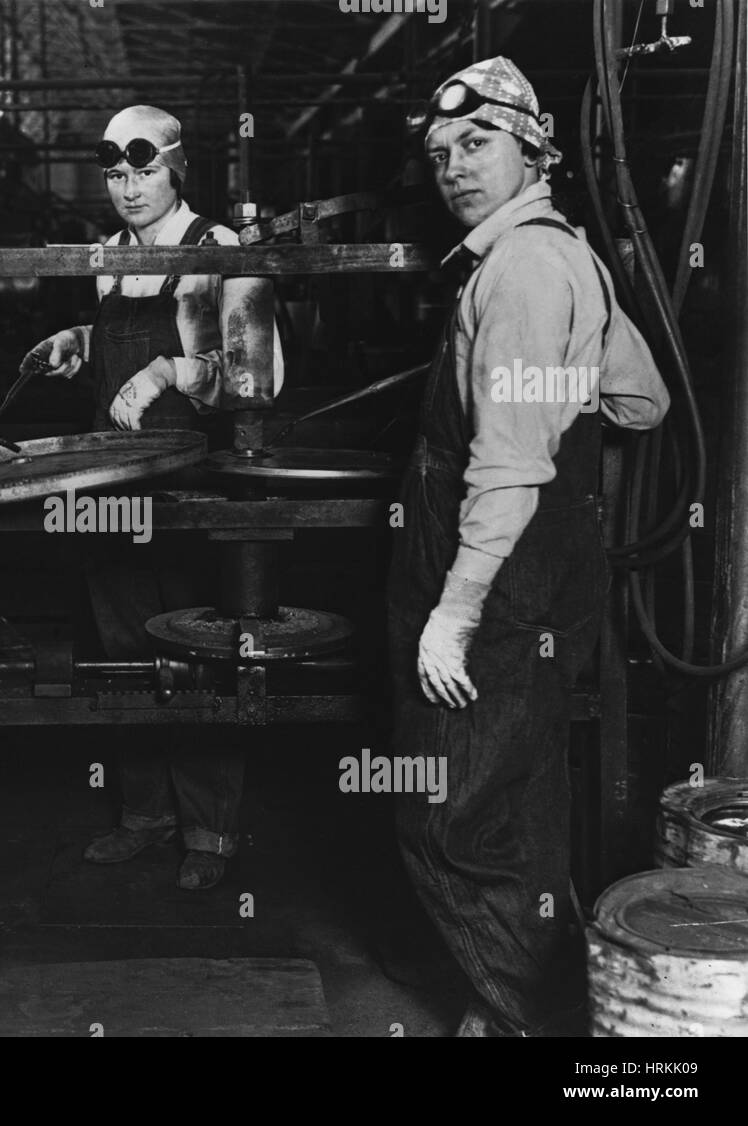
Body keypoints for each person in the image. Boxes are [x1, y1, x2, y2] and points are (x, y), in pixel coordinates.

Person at [387, 57, 669, 1036]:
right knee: (521, 781)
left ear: (532, 146)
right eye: (440, 154)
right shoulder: (565, 254)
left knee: (450, 804)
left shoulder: (517, 270)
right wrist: (557, 394)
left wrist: (452, 613)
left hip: (498, 571)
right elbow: (641, 397)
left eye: (477, 143)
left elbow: (505, 468)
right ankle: (532, 994)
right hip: (551, 568)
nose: (455, 166)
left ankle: (508, 1008)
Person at [22, 105, 284, 891]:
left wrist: (171, 371)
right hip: (113, 476)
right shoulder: (108, 256)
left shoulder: (218, 250)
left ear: (177, 169)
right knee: (123, 647)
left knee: (197, 646)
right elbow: (118, 337)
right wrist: (78, 341)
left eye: (144, 170)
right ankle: (145, 815)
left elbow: (254, 374)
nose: (129, 187)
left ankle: (210, 831)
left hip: (193, 481)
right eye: (115, 173)